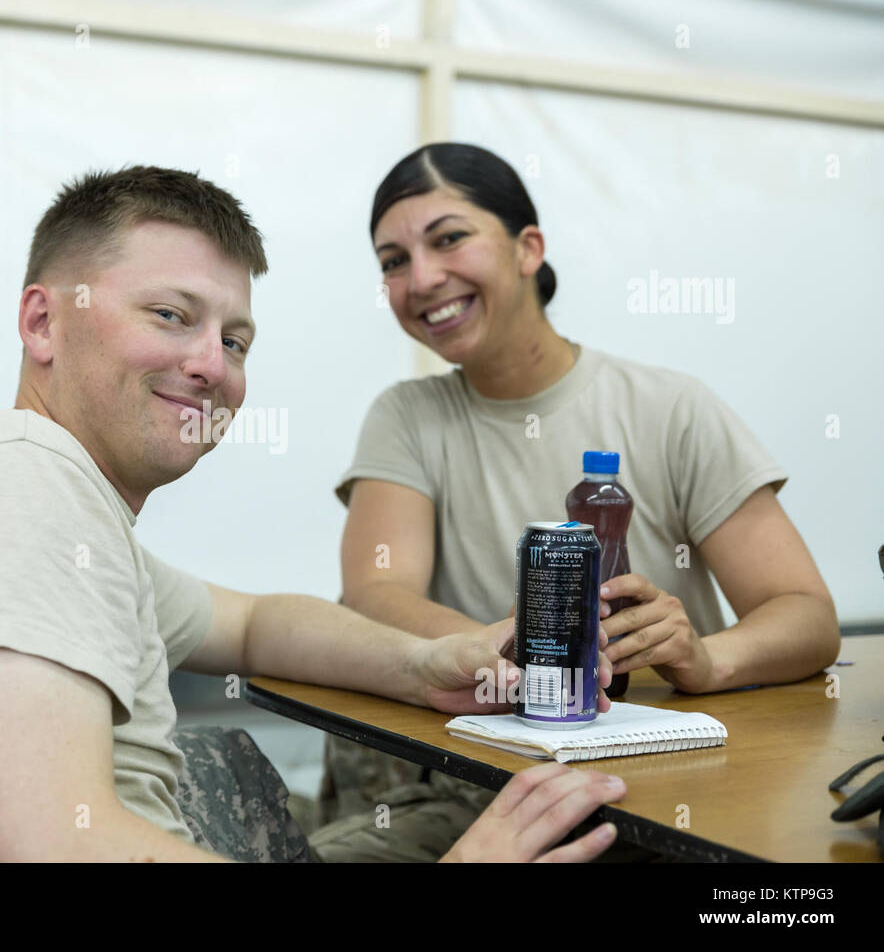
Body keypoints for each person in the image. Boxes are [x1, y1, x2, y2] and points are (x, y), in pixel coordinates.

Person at [0, 164, 627, 862]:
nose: (210, 366)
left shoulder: (64, 508)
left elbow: (258, 625)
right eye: (170, 315)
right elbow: (50, 846)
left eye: (235, 341)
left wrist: (429, 661)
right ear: (43, 321)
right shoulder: (19, 476)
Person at [311, 143, 840, 862]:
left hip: (673, 792)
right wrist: (514, 652)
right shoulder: (407, 418)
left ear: (529, 248)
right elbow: (374, 591)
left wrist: (706, 660)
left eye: (449, 238)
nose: (422, 278)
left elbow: (805, 614)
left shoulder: (670, 407)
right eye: (393, 261)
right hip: (485, 790)